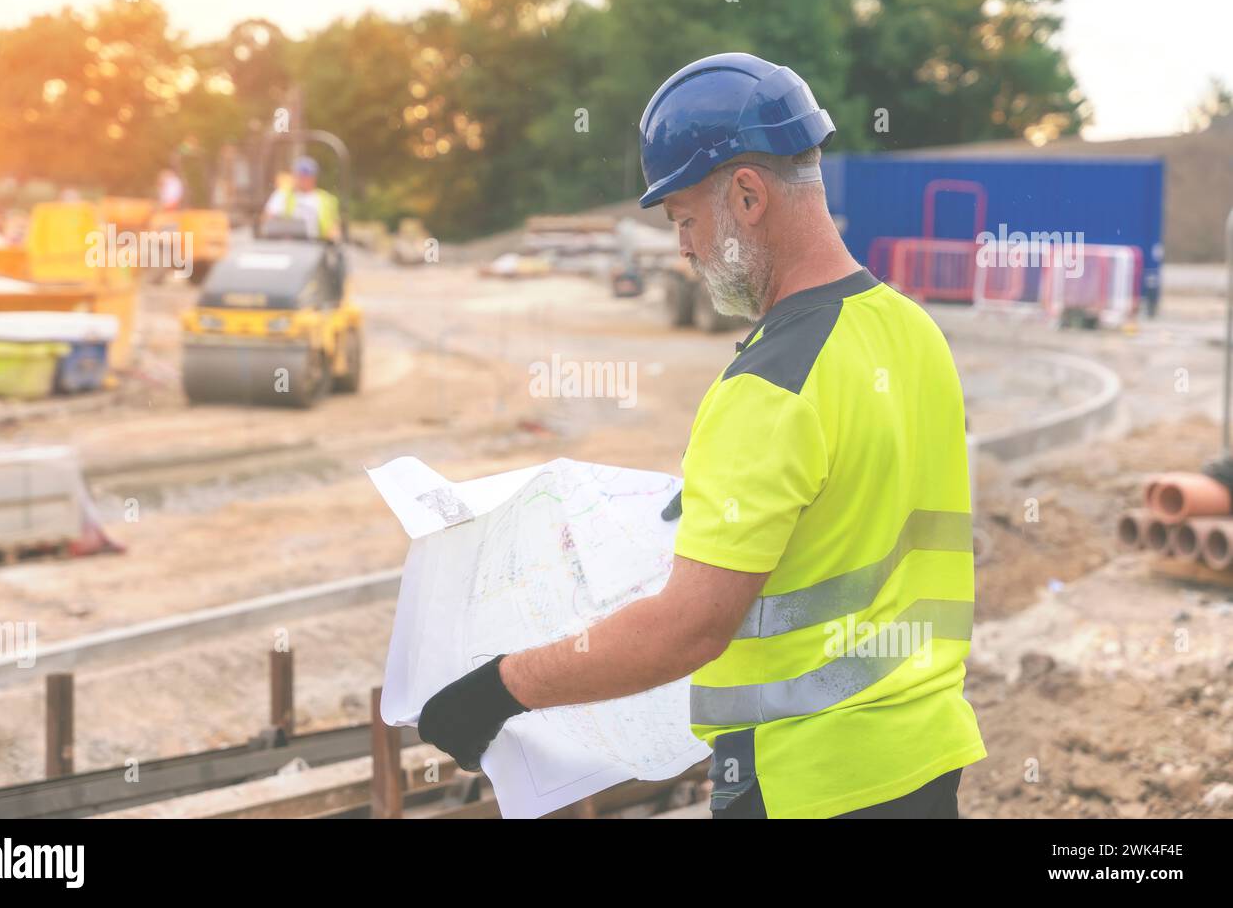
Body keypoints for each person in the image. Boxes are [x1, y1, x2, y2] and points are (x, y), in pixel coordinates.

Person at [418, 52, 987, 819]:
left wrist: (497, 688)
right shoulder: (911, 330)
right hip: (923, 764)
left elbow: (686, 629)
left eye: (686, 217)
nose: (682, 247)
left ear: (748, 194)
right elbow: (858, 515)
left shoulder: (768, 383)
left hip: (806, 785)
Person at [262, 155, 339, 239]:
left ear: (314, 177)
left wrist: (333, 237)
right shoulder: (283, 194)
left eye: (306, 175)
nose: (302, 179)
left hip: (317, 244)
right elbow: (267, 220)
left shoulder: (325, 199)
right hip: (289, 244)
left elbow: (334, 228)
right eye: (299, 175)